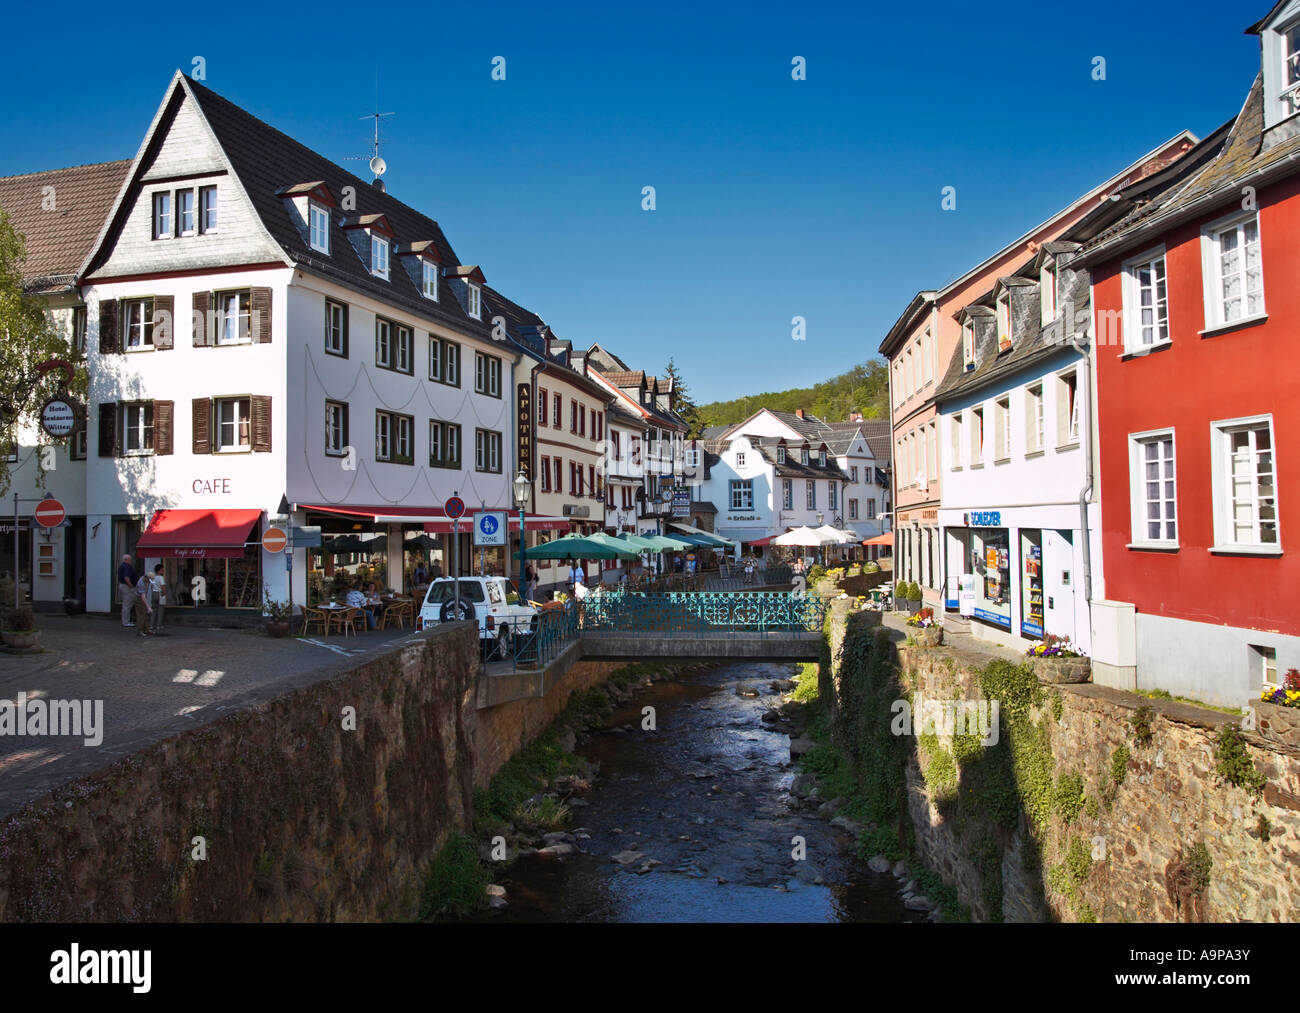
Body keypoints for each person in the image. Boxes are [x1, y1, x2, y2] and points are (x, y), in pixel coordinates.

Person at [118, 554, 138, 628]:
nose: (131, 561)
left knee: (126, 604)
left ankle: (126, 620)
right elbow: (126, 577)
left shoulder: (122, 566)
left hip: (123, 586)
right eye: (130, 559)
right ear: (126, 560)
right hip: (127, 587)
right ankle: (126, 622)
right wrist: (131, 586)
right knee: (127, 604)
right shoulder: (127, 566)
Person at [133, 570, 153, 636]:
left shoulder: (145, 579)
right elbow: (143, 596)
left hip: (142, 597)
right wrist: (148, 607)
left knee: (145, 614)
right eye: (149, 580)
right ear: (147, 578)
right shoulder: (141, 583)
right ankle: (140, 630)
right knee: (141, 615)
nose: (149, 582)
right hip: (139, 599)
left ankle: (146, 629)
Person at [150, 564, 167, 634]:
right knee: (160, 609)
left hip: (154, 593)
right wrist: (165, 593)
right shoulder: (161, 578)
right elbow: (163, 586)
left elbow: (151, 586)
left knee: (154, 610)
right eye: (162, 570)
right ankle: (158, 625)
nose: (163, 571)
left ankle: (151, 625)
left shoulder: (153, 577)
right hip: (160, 593)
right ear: (159, 571)